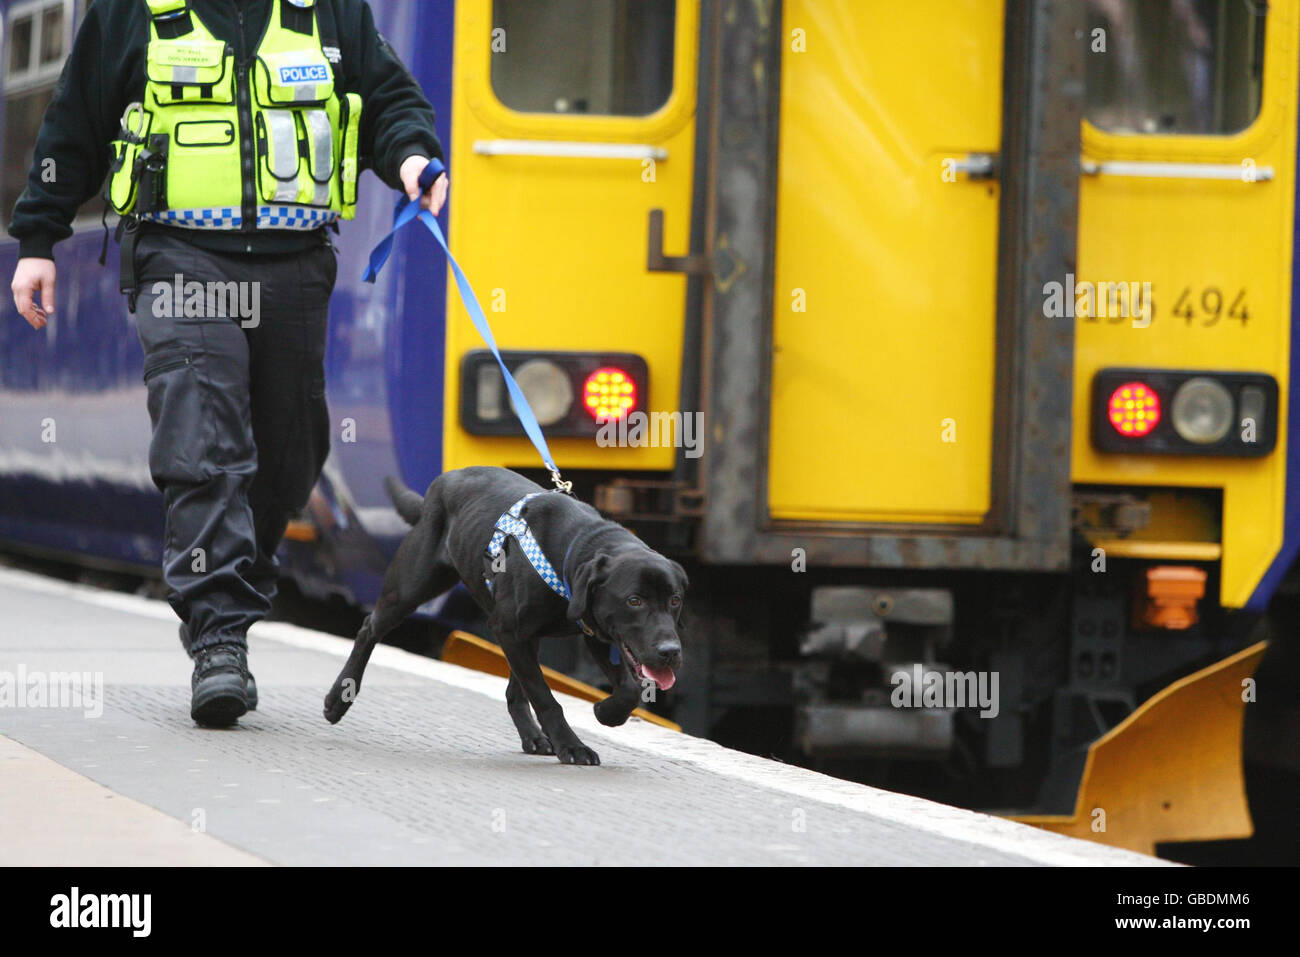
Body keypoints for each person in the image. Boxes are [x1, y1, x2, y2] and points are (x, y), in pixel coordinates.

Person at [8, 0, 448, 726]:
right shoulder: (134, 12)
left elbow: (387, 97)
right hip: (181, 256)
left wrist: (409, 156)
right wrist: (36, 240)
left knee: (290, 450)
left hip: (295, 266)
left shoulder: (327, 9)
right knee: (203, 432)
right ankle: (219, 636)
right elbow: (74, 118)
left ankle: (238, 578)